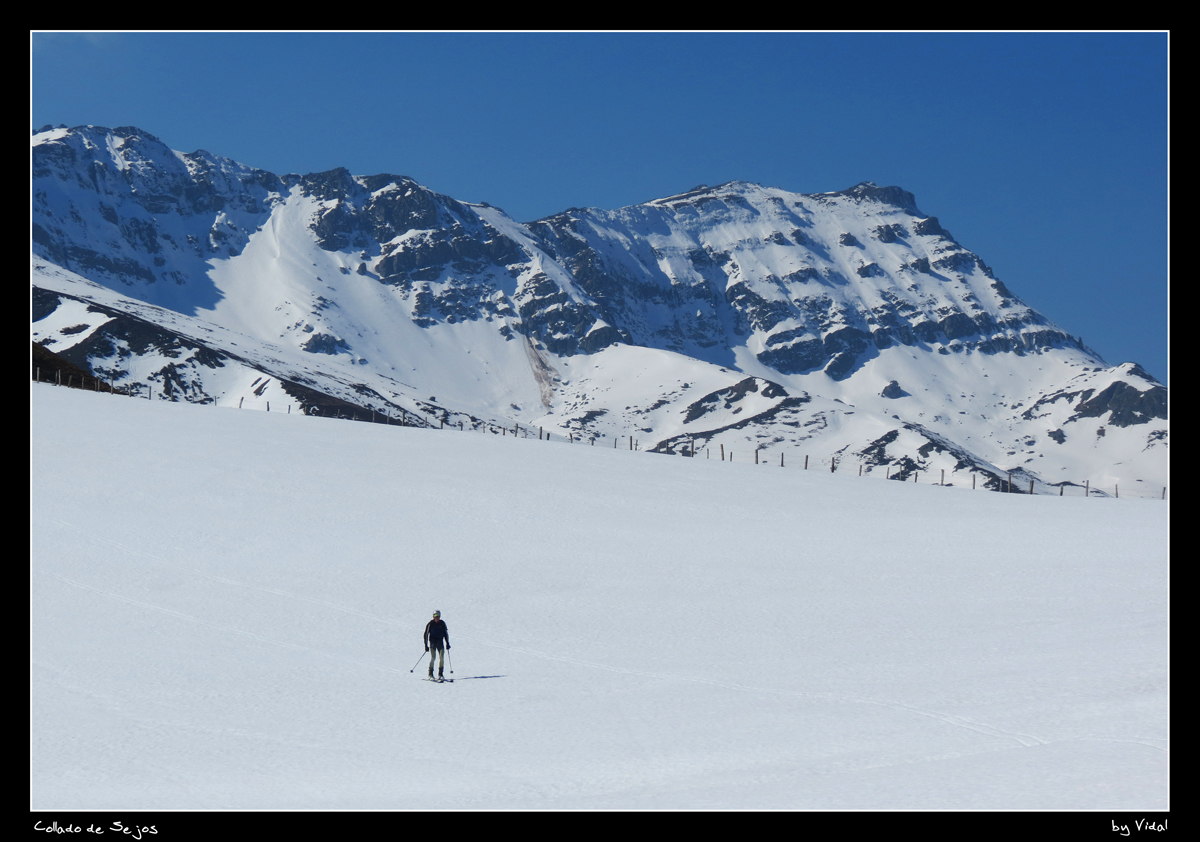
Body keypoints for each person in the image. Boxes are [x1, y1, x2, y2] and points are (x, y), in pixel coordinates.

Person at [424, 610, 450, 680]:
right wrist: (426, 645)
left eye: (438, 616)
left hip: (440, 642)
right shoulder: (430, 624)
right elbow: (426, 634)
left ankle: (440, 674)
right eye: (435, 616)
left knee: (441, 657)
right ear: (433, 617)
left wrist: (447, 643)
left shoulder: (442, 623)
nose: (437, 618)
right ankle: (430, 674)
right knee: (433, 657)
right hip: (432, 643)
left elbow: (445, 634)